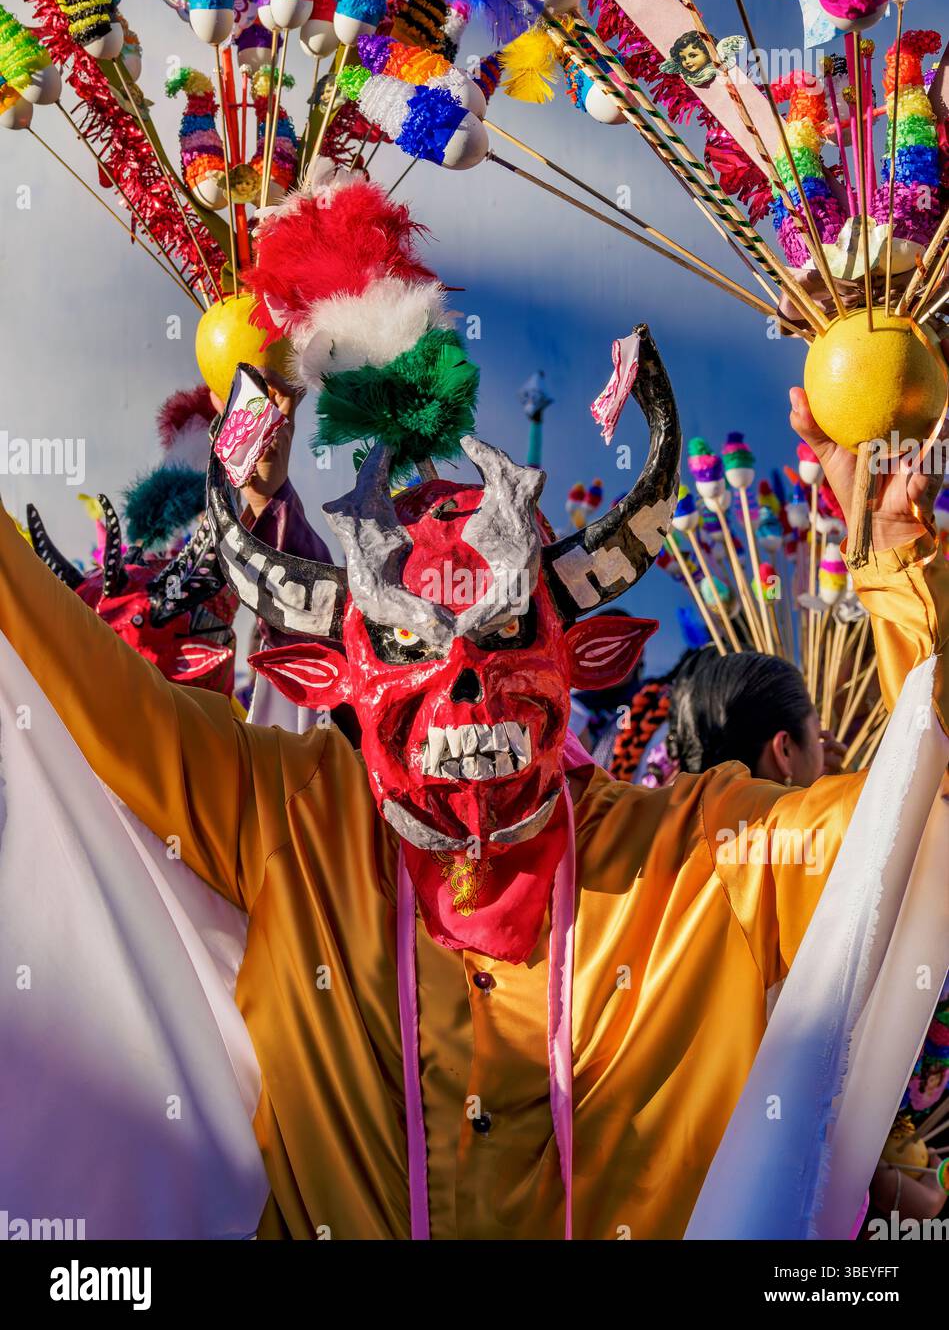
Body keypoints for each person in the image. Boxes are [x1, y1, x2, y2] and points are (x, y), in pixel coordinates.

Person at [0, 176, 946, 1240]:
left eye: (500, 635)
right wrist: (244, 442)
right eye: (406, 643)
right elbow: (70, 677)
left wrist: (896, 559)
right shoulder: (288, 817)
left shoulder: (697, 858)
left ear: (582, 657)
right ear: (335, 679)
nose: (459, 680)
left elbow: (916, 824)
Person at [667, 647, 847, 787]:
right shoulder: (822, 832)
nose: (827, 739)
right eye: (817, 732)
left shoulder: (677, 829)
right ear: (784, 750)